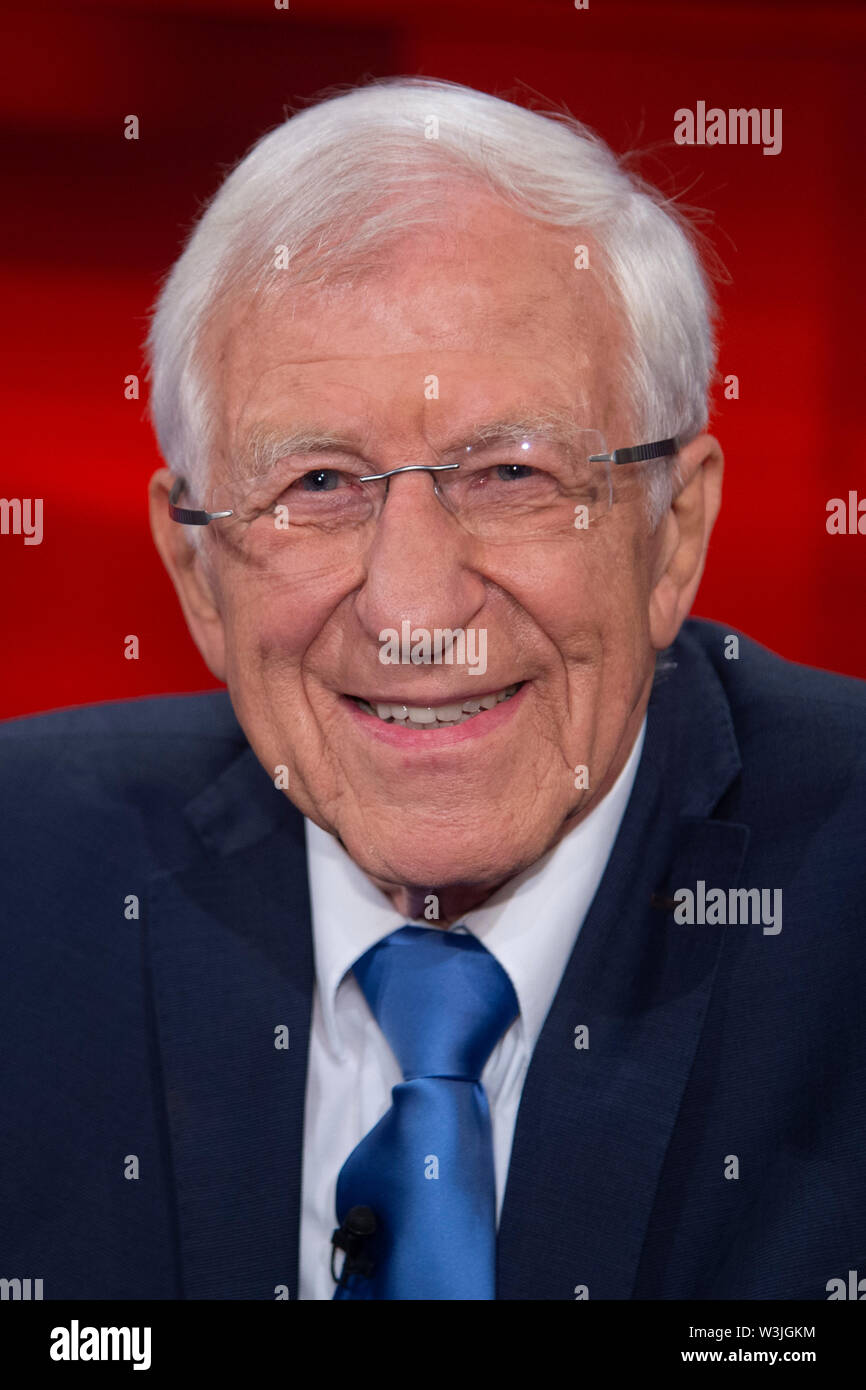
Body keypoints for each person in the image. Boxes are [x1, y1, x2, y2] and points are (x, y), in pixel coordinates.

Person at [1, 78, 864, 1302]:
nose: (410, 611)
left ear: (674, 534)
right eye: (316, 482)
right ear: (196, 568)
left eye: (510, 471)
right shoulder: (20, 885)